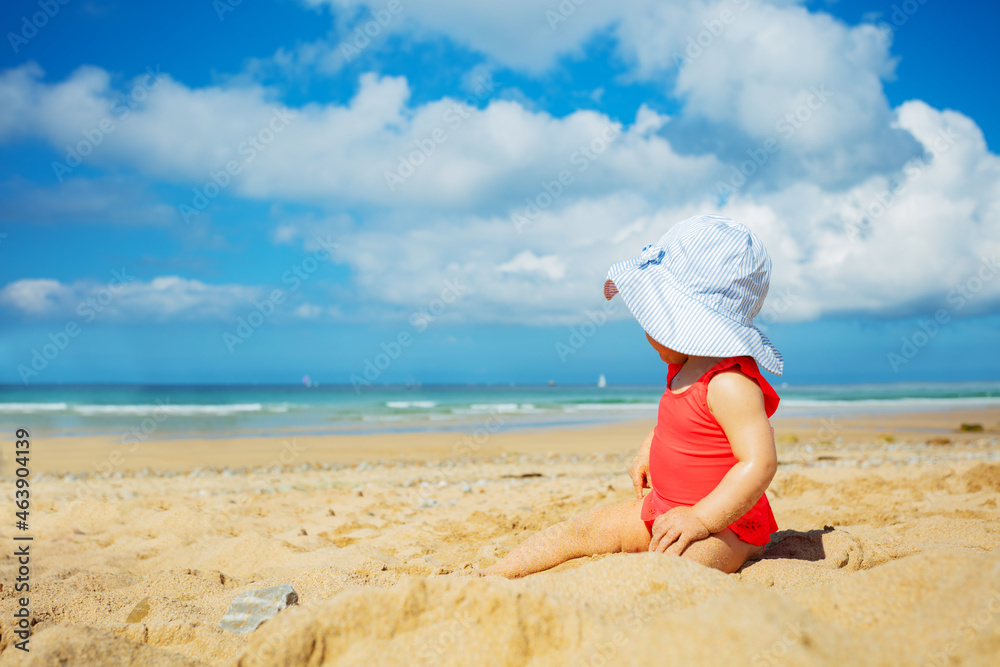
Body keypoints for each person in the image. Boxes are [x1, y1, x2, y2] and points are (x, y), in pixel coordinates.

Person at [483, 214, 784, 577]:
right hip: (663, 507)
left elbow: (759, 463)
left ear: (684, 320)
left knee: (679, 568)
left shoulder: (729, 384)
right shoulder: (684, 366)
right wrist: (650, 446)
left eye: (652, 319)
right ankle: (491, 576)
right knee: (580, 530)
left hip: (728, 525)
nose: (646, 332)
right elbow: (683, 425)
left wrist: (702, 519)